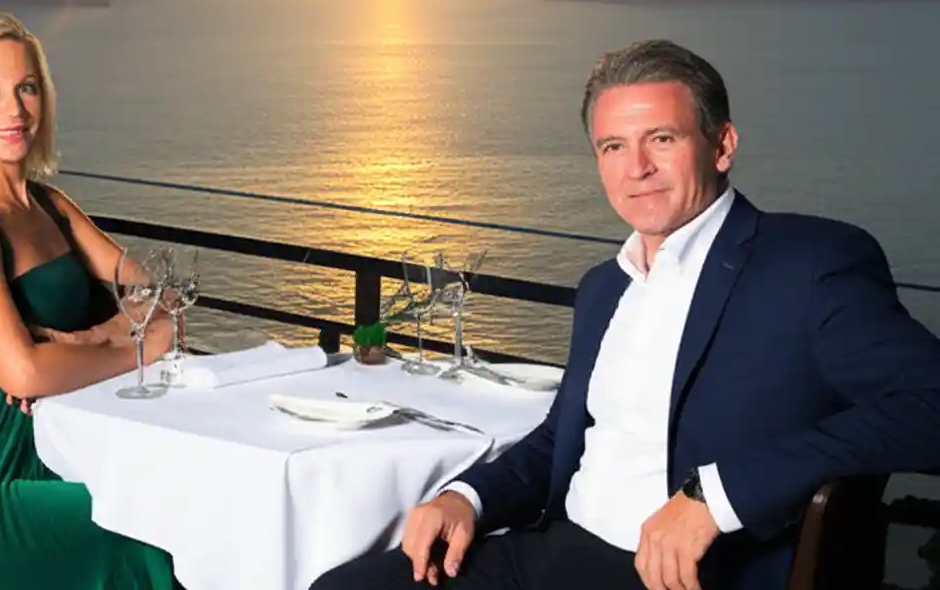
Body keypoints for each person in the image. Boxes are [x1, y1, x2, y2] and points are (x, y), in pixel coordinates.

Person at [311, 39, 940, 590]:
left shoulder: (806, 265)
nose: (635, 169)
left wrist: (717, 498)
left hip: (691, 575)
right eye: (613, 146)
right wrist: (467, 497)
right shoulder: (605, 287)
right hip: (556, 552)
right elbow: (563, 437)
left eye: (661, 140)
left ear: (722, 145)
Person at [0, 12, 179, 589]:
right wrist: (135, 345)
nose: (14, 110)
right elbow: (23, 372)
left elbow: (158, 293)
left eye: (26, 87)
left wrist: (90, 341)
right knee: (154, 530)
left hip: (72, 431)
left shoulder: (47, 204)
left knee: (180, 498)